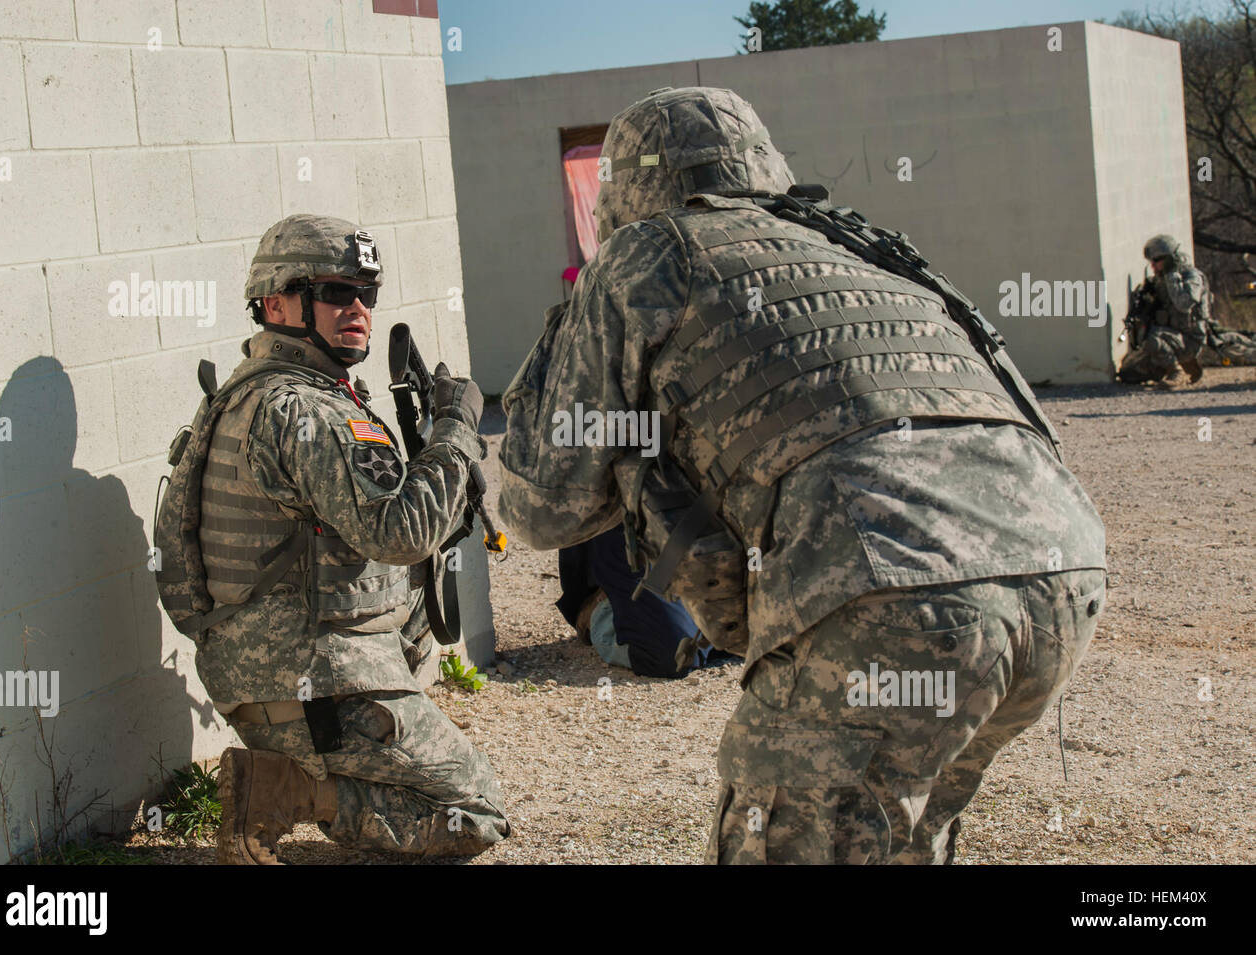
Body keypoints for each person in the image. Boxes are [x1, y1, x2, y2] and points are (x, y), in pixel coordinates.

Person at [497, 87, 1106, 864]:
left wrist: (568, 335)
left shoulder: (648, 255)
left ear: (625, 194)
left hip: (894, 597)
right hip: (1062, 570)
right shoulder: (869, 247)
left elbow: (539, 507)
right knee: (890, 841)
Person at [170, 214, 508, 863]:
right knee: (474, 810)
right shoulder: (307, 411)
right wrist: (454, 432)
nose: (357, 308)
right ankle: (283, 791)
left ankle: (324, 766)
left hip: (261, 674)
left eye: (366, 293)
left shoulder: (246, 394)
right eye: (333, 292)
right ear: (276, 302)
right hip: (312, 689)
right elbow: (403, 531)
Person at [556, 525, 740, 677]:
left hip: (706, 559)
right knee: (673, 654)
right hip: (631, 557)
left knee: (757, 631)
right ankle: (606, 614)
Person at [1117, 234, 1210, 386]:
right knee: (1128, 373)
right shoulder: (1161, 280)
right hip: (1170, 338)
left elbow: (1184, 304)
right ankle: (1185, 366)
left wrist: (1171, 274)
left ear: (1169, 260)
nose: (1152, 266)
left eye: (1156, 261)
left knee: (1151, 339)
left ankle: (1176, 371)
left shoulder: (1191, 277)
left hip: (1189, 339)